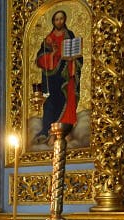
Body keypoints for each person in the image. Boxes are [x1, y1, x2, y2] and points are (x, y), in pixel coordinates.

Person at [34, 10, 82, 145]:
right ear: (53, 21)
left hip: (66, 75)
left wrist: (74, 60)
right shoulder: (48, 40)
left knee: (67, 99)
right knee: (50, 103)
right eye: (57, 19)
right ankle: (48, 131)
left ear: (65, 20)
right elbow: (39, 59)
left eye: (61, 19)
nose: (59, 22)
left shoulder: (70, 36)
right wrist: (52, 55)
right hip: (51, 78)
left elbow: (79, 58)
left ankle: (65, 130)